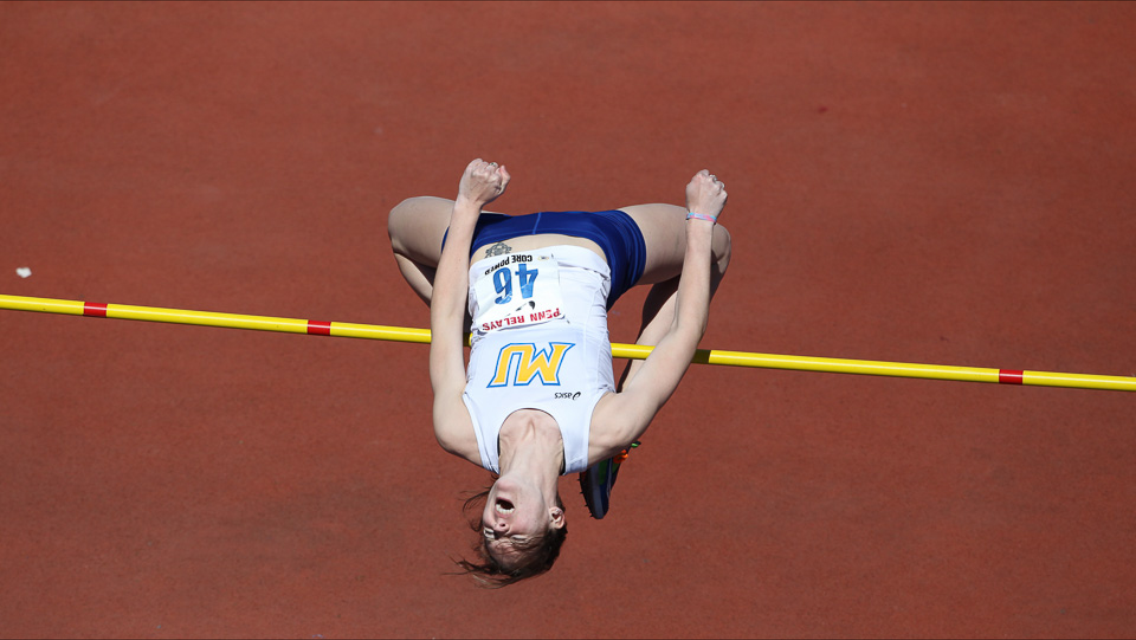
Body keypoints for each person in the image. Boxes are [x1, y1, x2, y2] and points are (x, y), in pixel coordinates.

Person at [387, 159, 731, 586]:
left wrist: (467, 204)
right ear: (555, 516)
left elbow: (446, 311)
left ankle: (482, 324)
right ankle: (617, 434)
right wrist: (699, 218)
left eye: (491, 534)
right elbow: (685, 331)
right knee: (717, 245)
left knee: (400, 227)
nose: (499, 527)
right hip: (593, 244)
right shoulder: (606, 426)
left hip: (486, 247)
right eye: (517, 538)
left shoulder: (459, 429)